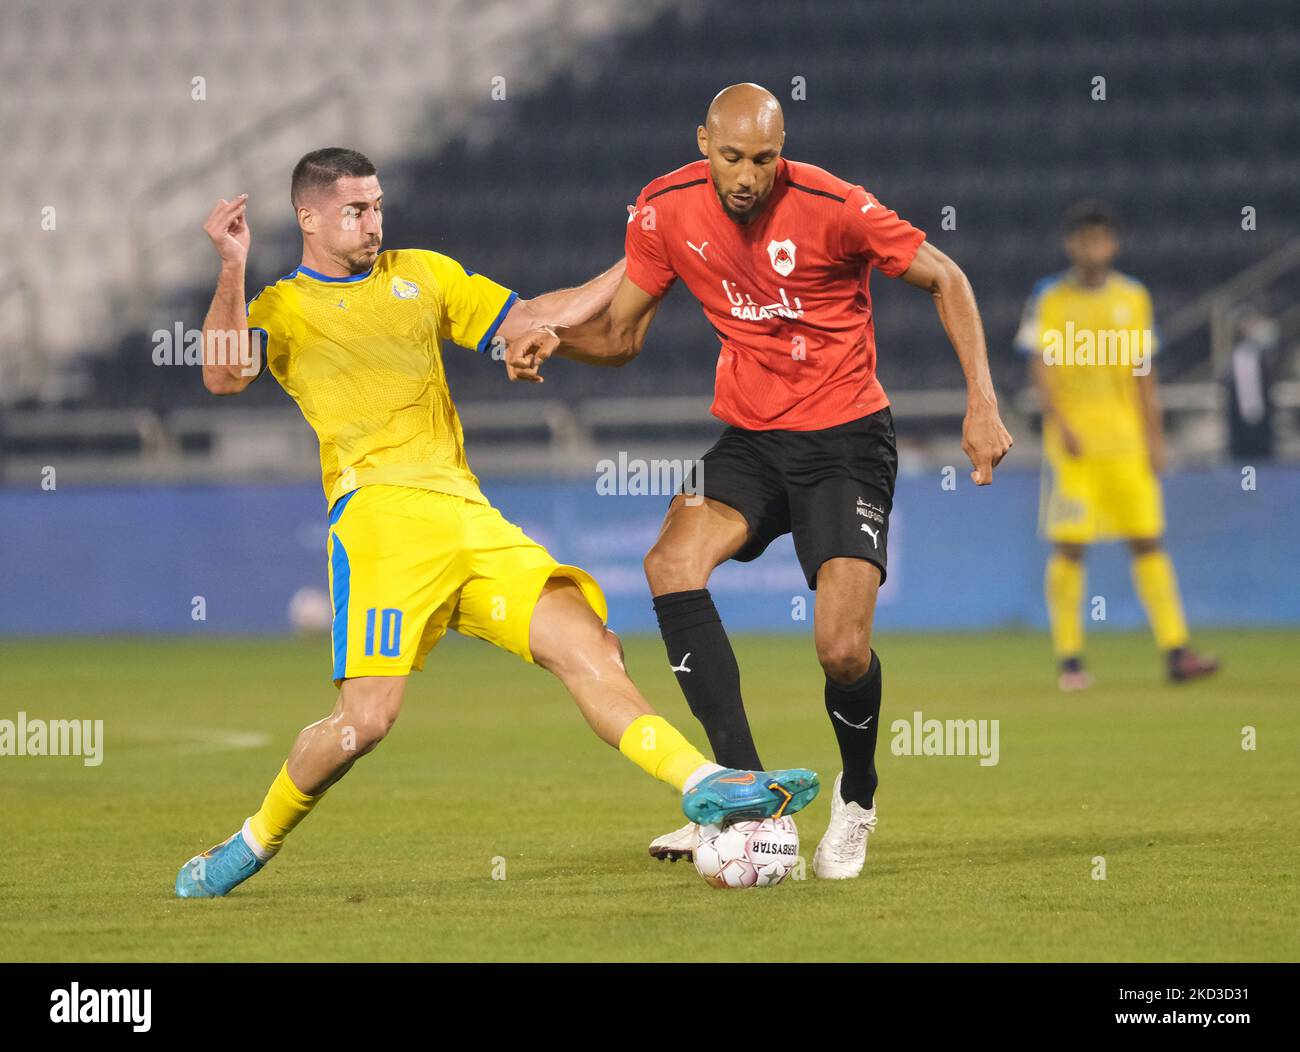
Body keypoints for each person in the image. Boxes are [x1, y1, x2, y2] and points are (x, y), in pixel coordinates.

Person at [174, 147, 819, 899]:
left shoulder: (425, 274)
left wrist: (652, 252)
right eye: (355, 209)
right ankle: (250, 844)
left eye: (378, 204)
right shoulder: (282, 306)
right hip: (381, 522)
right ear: (308, 218)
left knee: (590, 645)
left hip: (469, 515)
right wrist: (231, 265)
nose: (373, 221)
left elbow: (532, 319)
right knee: (365, 723)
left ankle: (707, 786)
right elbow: (222, 374)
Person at [505, 85, 1012, 879]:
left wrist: (981, 399)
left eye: (764, 159)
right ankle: (744, 792)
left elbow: (946, 276)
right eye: (732, 156)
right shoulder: (666, 207)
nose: (747, 175)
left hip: (846, 440)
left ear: (784, 150)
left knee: (842, 651)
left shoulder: (835, 206)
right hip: (753, 440)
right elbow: (624, 334)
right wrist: (554, 343)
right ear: (703, 141)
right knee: (669, 565)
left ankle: (860, 796)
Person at [1018, 200, 1219, 690]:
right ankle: (1070, 659)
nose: (1092, 247)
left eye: (1100, 238)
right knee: (1070, 547)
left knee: (1147, 540)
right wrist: (1059, 423)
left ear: (1113, 244)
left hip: (1126, 442)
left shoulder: (1134, 297)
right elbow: (1039, 367)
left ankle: (1176, 651)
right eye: (1083, 238)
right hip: (1074, 448)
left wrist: (1155, 435)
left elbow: (1144, 372)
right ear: (1072, 245)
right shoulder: (1050, 297)